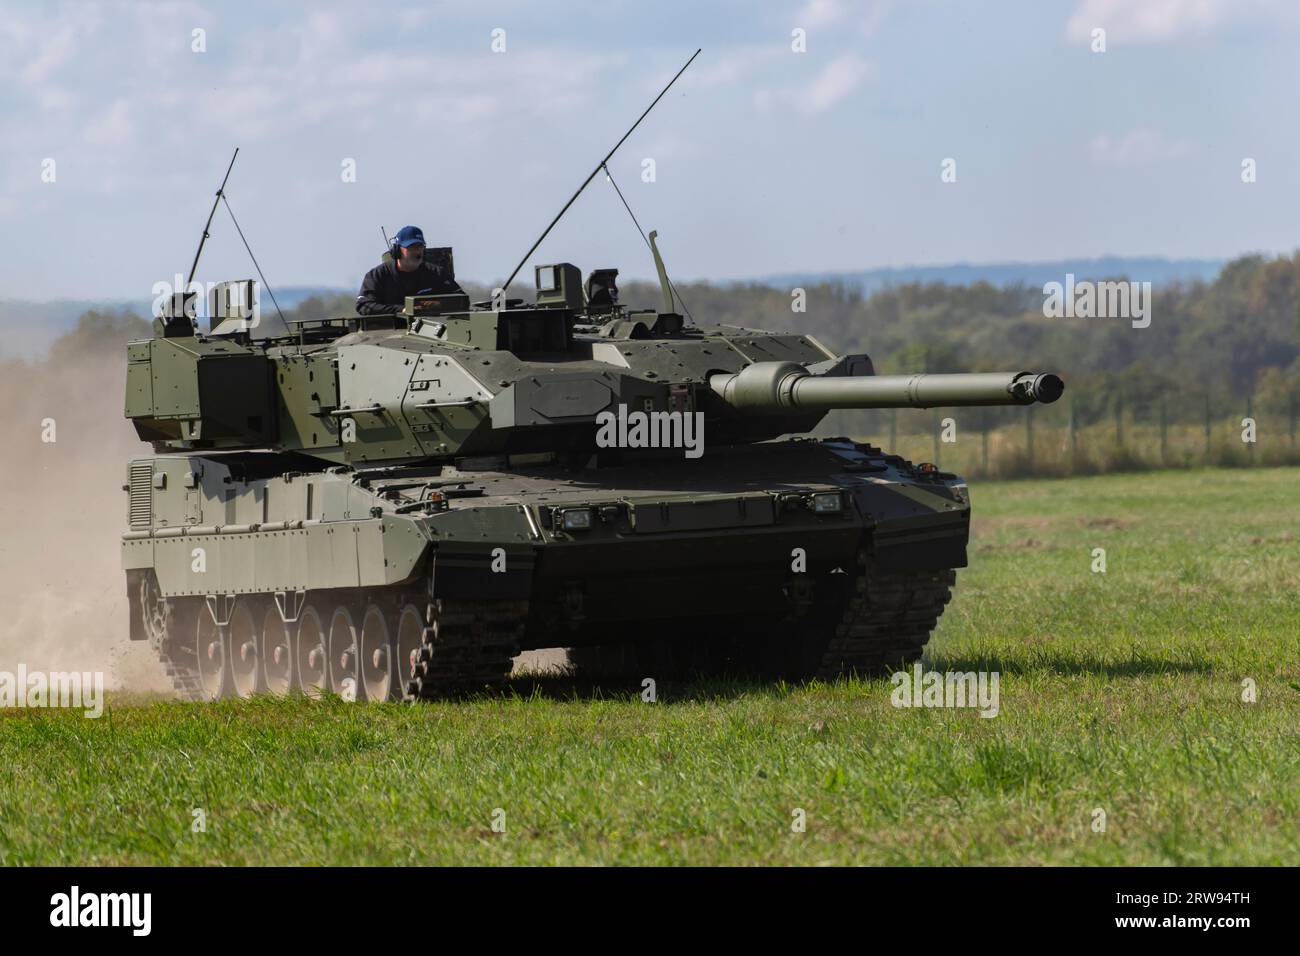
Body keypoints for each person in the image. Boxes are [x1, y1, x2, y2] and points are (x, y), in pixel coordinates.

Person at [356, 225, 463, 315]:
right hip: (390, 329)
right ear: (397, 251)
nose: (417, 251)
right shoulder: (378, 275)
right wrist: (402, 310)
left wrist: (434, 304)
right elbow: (364, 305)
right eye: (411, 247)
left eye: (420, 246)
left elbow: (461, 299)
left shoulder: (436, 273)